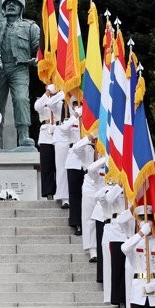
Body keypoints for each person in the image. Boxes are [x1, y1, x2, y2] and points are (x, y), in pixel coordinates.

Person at [0, 0, 40, 147]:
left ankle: (24, 135)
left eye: (15, 3)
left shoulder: (30, 26)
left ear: (21, 8)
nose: (11, 5)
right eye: (8, 3)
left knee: (21, 99)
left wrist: (39, 58)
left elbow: (39, 47)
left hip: (19, 68)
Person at [34, 82, 63, 199]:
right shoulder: (42, 99)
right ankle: (49, 193)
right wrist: (47, 93)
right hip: (46, 134)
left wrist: (57, 94)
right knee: (47, 165)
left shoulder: (62, 99)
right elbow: (37, 107)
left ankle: (61, 193)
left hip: (59, 131)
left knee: (59, 165)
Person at [63, 96, 85, 233]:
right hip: (73, 159)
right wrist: (76, 115)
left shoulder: (92, 119)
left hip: (88, 159)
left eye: (80, 104)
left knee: (87, 195)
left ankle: (86, 223)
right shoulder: (71, 120)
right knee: (75, 193)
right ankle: (76, 222)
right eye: (75, 104)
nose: (78, 106)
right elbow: (64, 128)